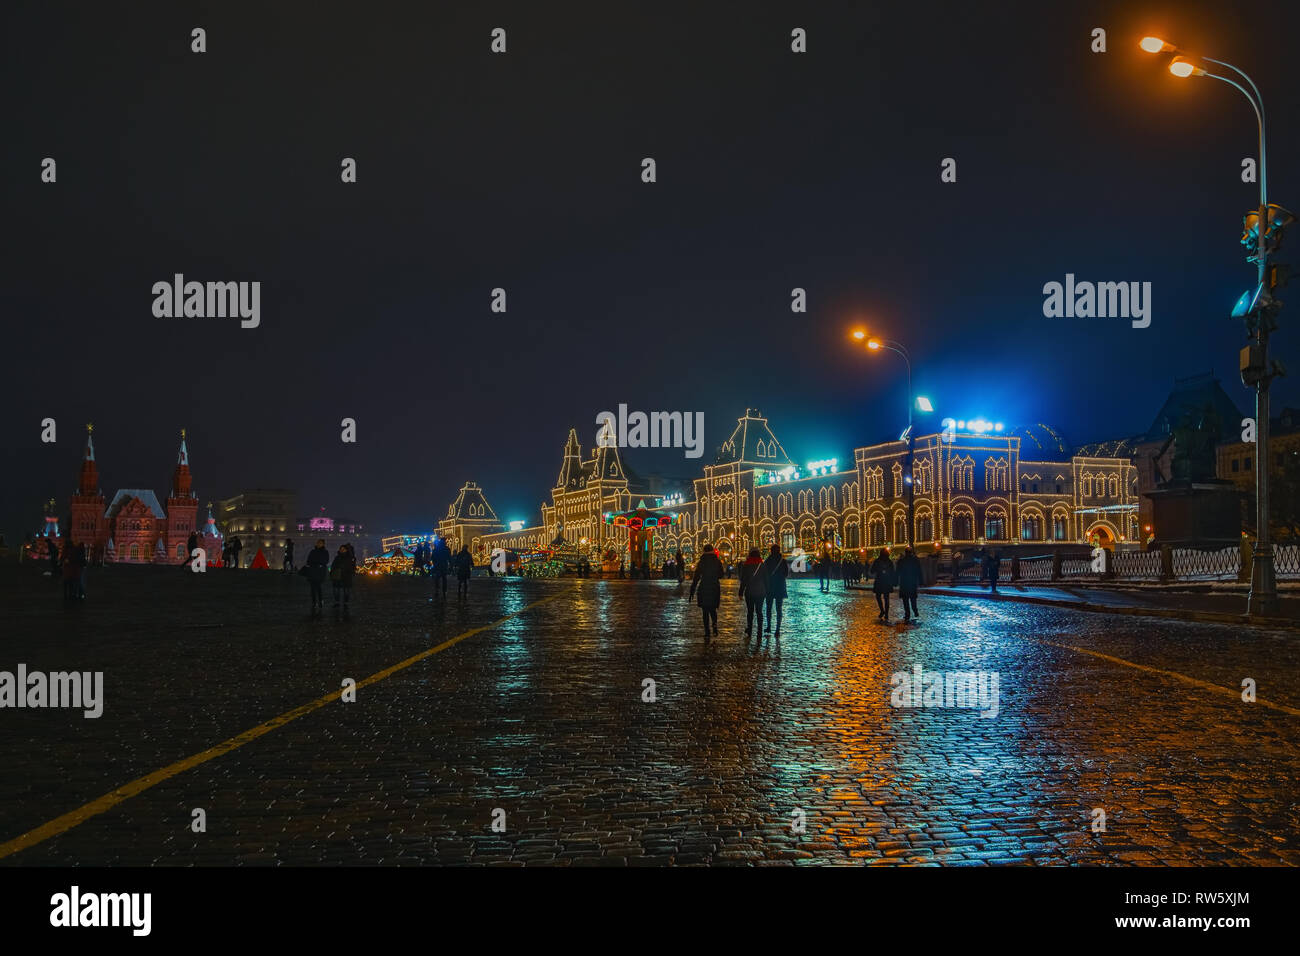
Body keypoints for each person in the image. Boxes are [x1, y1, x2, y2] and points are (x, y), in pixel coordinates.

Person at [688, 543, 724, 640]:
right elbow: (721, 575)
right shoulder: (717, 561)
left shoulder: (701, 562)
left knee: (705, 611)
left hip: (704, 587)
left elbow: (696, 577)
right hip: (714, 587)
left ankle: (707, 631)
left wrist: (692, 590)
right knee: (713, 609)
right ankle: (715, 625)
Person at [738, 547, 769, 638]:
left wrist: (740, 592)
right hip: (761, 591)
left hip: (750, 591)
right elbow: (766, 579)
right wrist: (767, 591)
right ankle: (759, 631)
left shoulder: (746, 565)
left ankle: (750, 630)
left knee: (750, 612)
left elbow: (743, 580)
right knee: (759, 612)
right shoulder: (762, 565)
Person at [761, 543, 789, 637]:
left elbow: (764, 573)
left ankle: (769, 626)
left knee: (769, 608)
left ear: (771, 551)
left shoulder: (768, 561)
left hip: (770, 587)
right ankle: (777, 629)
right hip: (780, 587)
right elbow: (786, 573)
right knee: (778, 609)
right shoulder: (783, 561)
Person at [896, 546, 922, 622]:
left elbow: (897, 572)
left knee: (905, 599)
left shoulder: (901, 561)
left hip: (904, 582)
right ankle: (915, 611)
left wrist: (895, 581)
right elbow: (919, 571)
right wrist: (921, 581)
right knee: (913, 598)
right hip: (912, 581)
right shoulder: (915, 560)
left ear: (905, 552)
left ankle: (907, 614)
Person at [305, 539, 330, 615]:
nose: (319, 544)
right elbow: (308, 560)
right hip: (312, 571)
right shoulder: (313, 551)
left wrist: (317, 563)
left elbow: (326, 561)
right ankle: (314, 602)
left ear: (323, 544)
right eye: (318, 543)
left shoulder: (325, 552)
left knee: (318, 587)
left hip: (319, 572)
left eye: (320, 543)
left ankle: (320, 600)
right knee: (312, 588)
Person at [871, 547, 895, 621]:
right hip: (887, 581)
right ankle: (886, 614)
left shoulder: (877, 561)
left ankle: (882, 610)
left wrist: (878, 571)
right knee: (886, 598)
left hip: (879, 581)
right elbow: (893, 572)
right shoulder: (889, 561)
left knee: (878, 596)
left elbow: (872, 571)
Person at [331, 543, 357, 611]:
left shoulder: (350, 557)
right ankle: (337, 602)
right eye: (340, 549)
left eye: (343, 549)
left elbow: (353, 566)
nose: (341, 550)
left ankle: (346, 602)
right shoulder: (337, 557)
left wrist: (350, 571)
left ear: (346, 550)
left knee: (346, 591)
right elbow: (333, 566)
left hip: (347, 576)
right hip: (338, 576)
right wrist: (332, 573)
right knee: (336, 590)